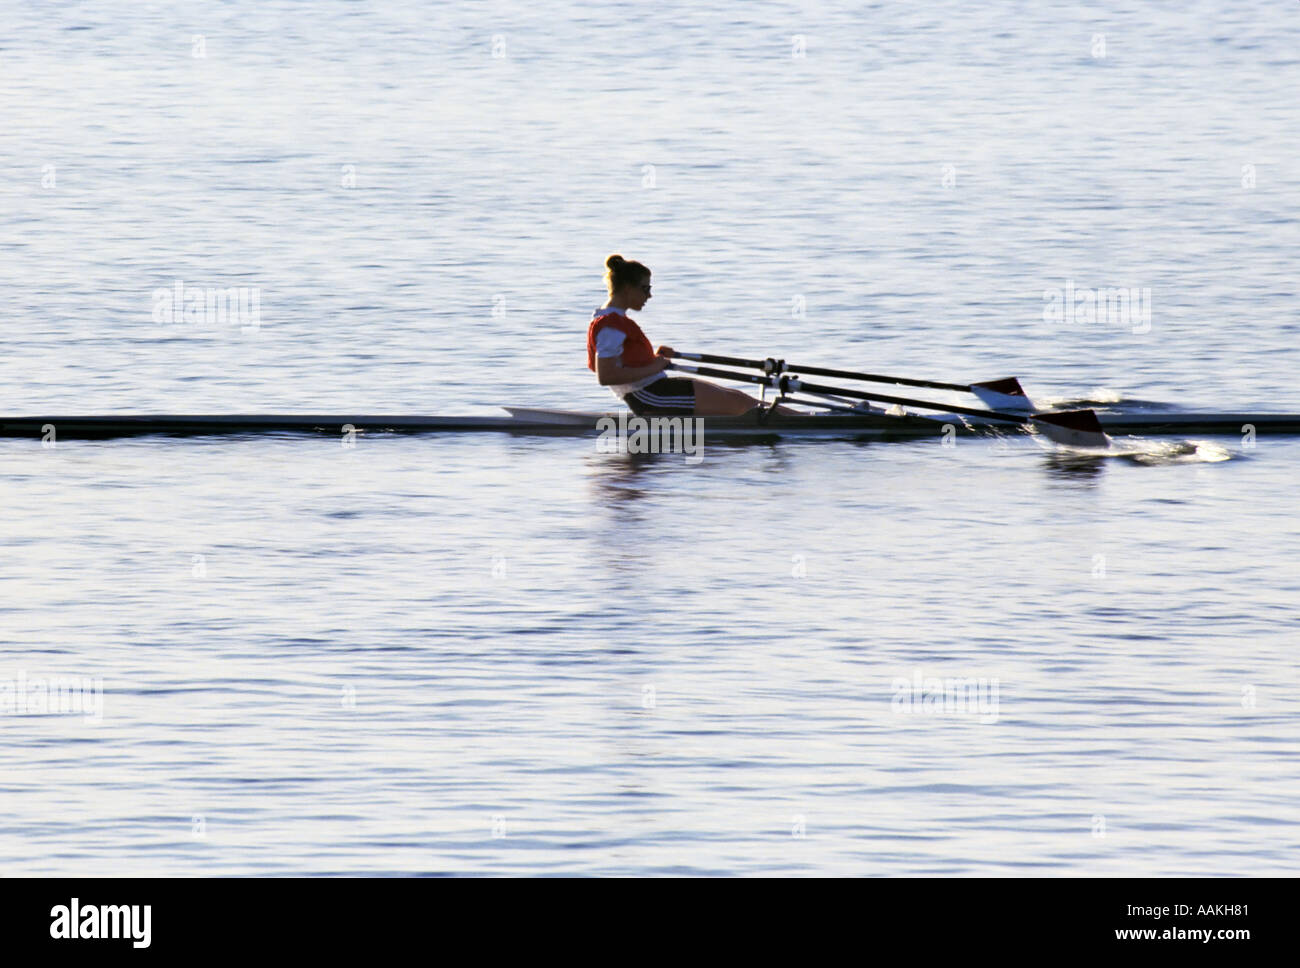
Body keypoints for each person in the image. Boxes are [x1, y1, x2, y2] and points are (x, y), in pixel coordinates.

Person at [586, 254, 767, 416]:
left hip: (655, 389)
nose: (650, 295)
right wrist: (655, 366)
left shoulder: (613, 320)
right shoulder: (610, 326)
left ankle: (792, 419)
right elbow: (607, 376)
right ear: (627, 288)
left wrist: (656, 359)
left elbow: (626, 362)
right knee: (741, 405)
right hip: (649, 396)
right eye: (645, 289)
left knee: (739, 398)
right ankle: (792, 424)